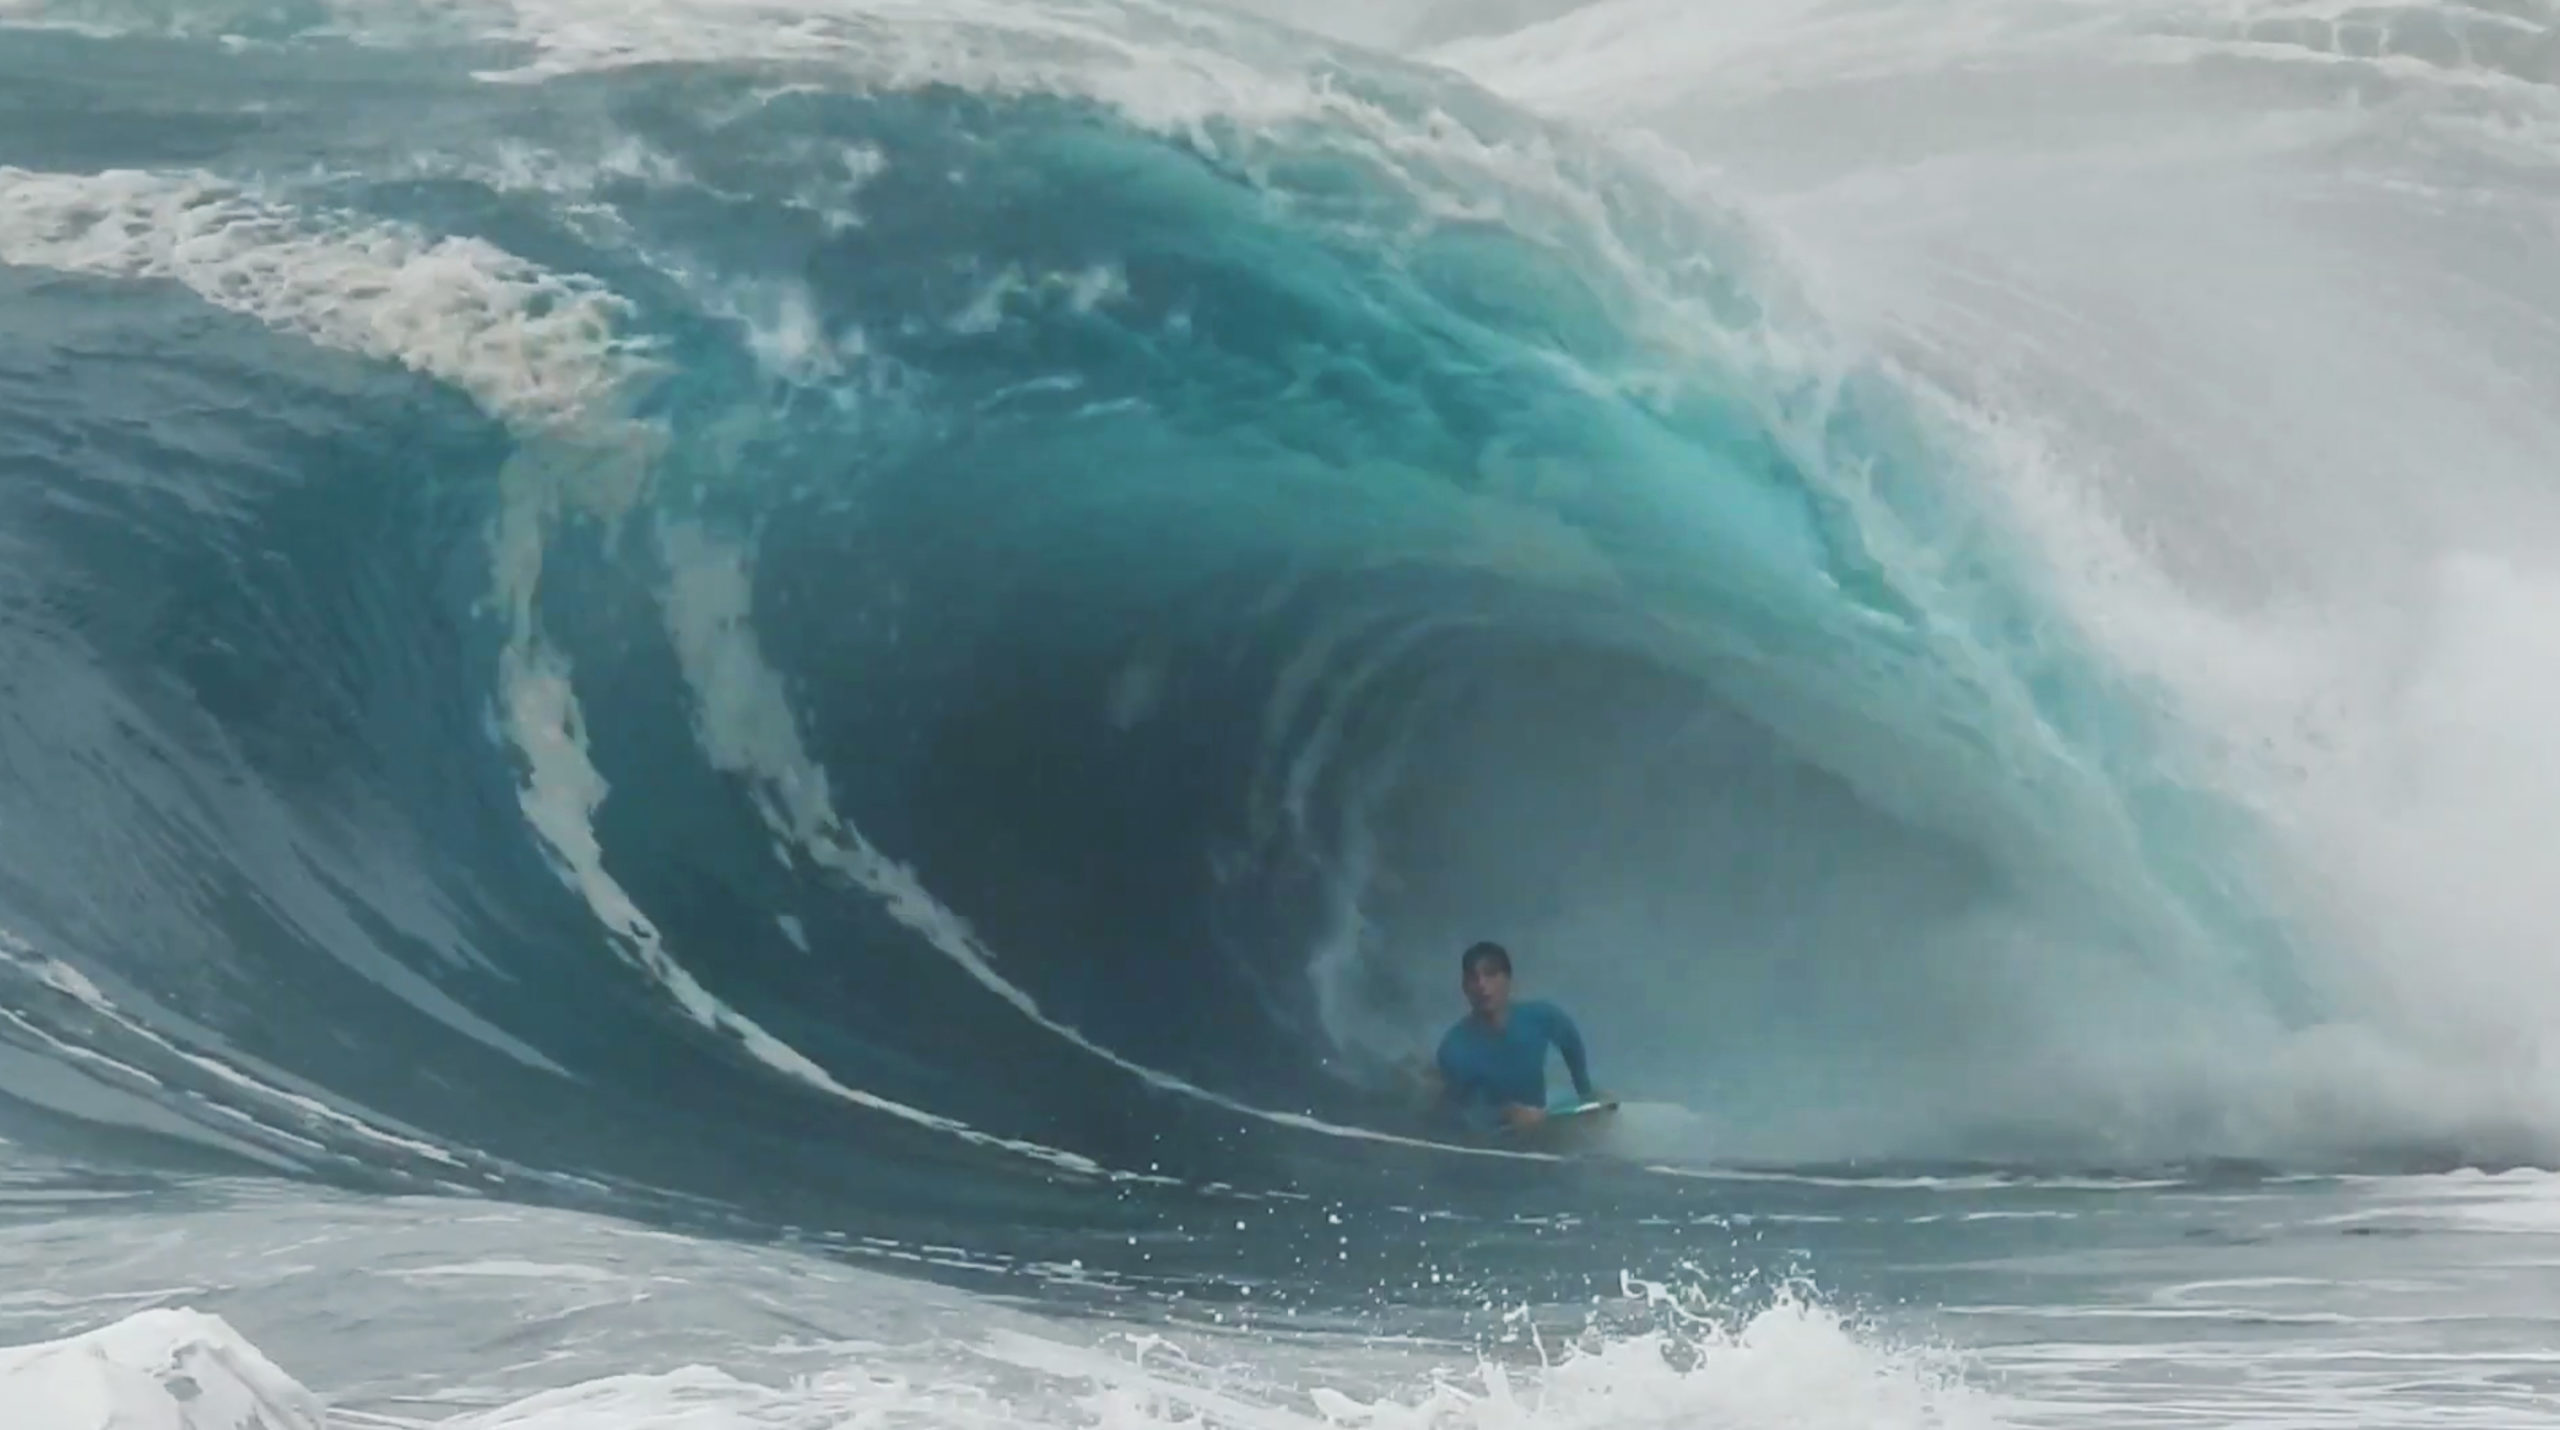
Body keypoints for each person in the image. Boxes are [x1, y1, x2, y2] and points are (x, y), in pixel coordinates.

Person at [1433, 941, 1600, 1134]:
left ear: (1508, 979)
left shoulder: (1541, 1017)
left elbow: (1571, 1042)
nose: (1481, 985)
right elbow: (1454, 1113)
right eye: (1473, 978)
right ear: (1464, 987)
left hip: (1539, 1128)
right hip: (1494, 1140)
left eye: (1491, 974)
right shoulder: (1455, 1047)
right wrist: (1505, 1113)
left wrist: (1586, 1092)